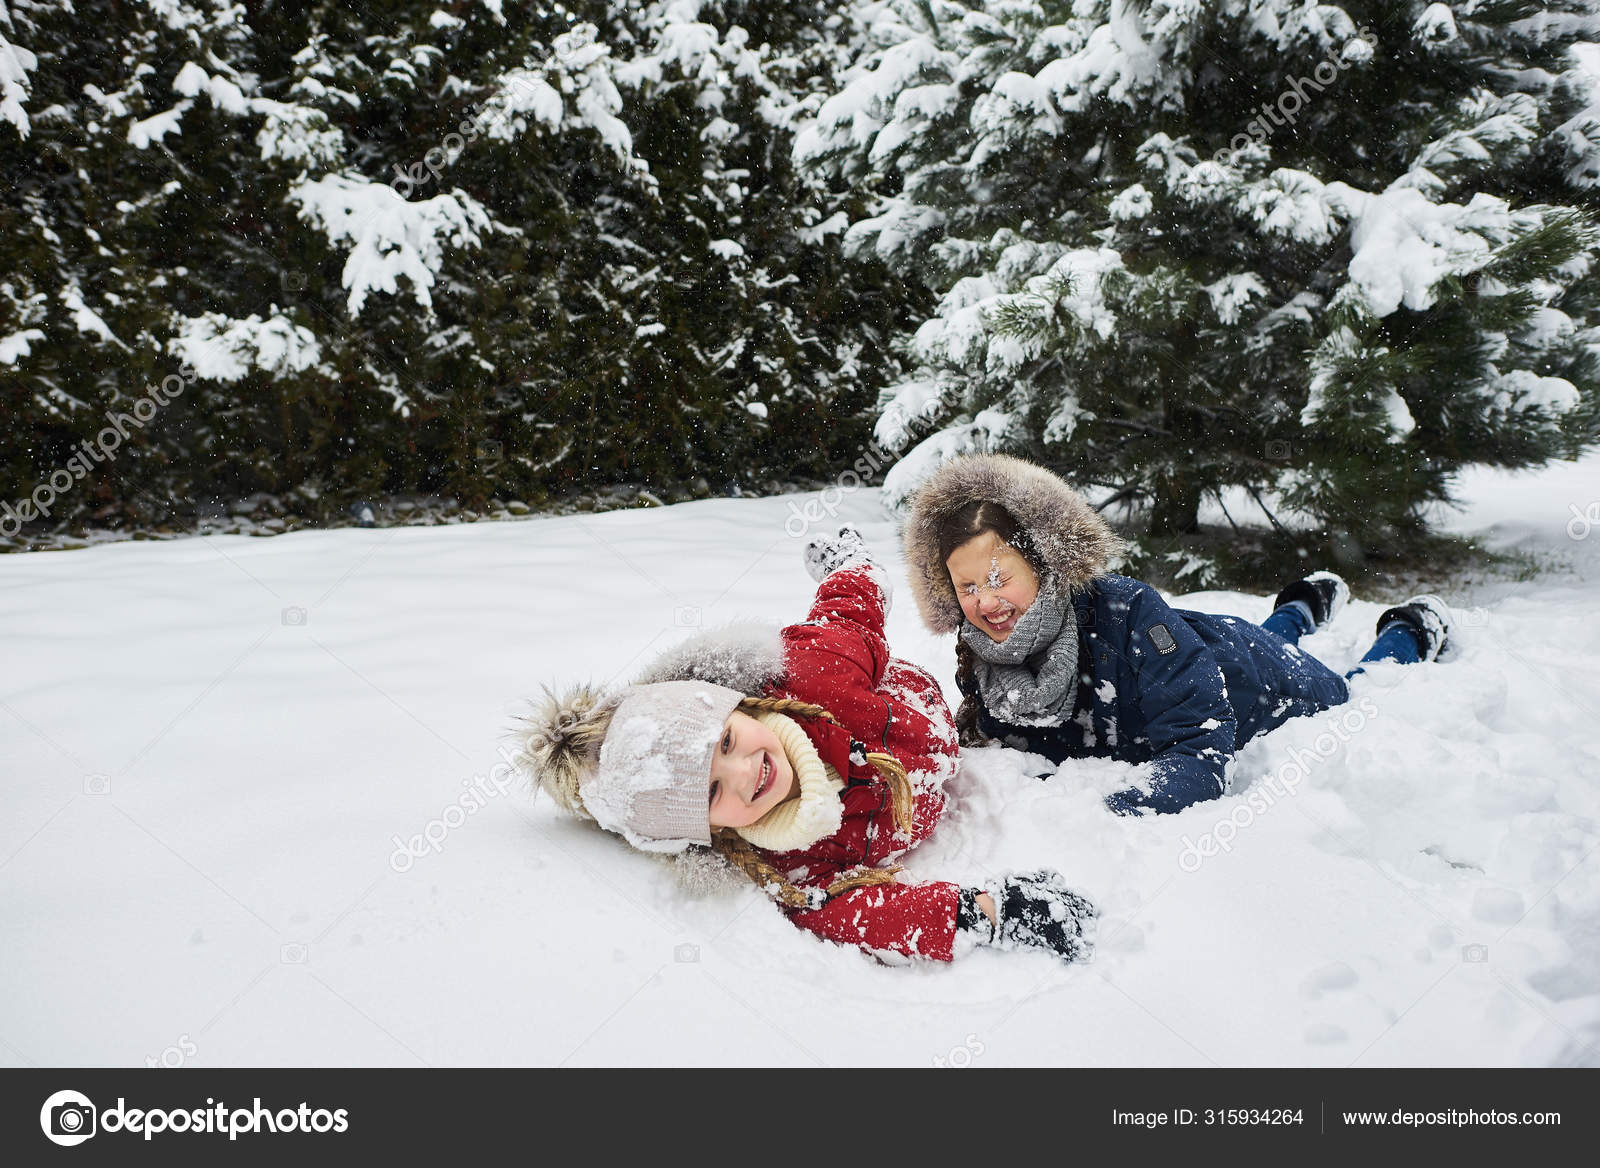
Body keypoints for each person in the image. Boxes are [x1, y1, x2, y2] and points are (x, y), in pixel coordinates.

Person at [514, 526, 1097, 965]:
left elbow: (850, 613)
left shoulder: (812, 671)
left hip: (913, 706)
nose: (745, 771)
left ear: (737, 705)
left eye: (726, 740)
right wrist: (987, 914)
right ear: (709, 834)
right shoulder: (783, 858)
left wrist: (856, 572)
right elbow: (859, 913)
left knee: (852, 615)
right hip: (913, 794)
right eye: (713, 791)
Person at [901, 453, 1454, 815]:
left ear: (1043, 564)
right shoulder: (985, 655)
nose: (987, 601)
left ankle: (1410, 628)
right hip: (1200, 648)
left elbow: (1199, 747)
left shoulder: (1124, 613)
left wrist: (1110, 818)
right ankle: (1303, 605)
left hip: (1255, 681)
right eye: (967, 585)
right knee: (1276, 634)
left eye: (1000, 577)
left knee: (1353, 686)